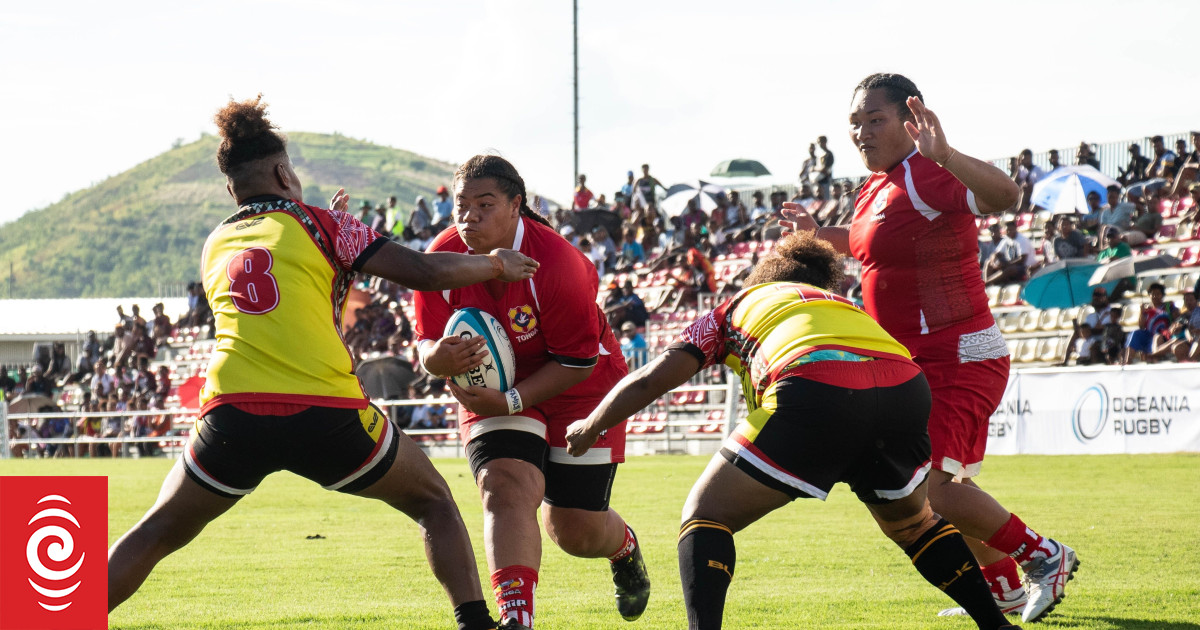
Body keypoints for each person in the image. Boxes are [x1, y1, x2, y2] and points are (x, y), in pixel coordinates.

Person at [106, 96, 540, 630]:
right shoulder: (324, 225)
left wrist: (336, 240)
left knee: (154, 532)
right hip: (325, 410)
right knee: (433, 502)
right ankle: (476, 625)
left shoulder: (216, 242)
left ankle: (45, 614)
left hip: (231, 413)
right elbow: (422, 272)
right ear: (285, 172)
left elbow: (293, 290)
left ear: (231, 189)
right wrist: (495, 264)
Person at [566, 232, 1023, 630]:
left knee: (706, 517)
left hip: (815, 384)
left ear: (763, 275)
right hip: (904, 387)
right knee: (915, 525)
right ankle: (996, 625)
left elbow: (653, 378)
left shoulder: (737, 305)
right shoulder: (842, 304)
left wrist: (592, 425)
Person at [783, 73, 1077, 624]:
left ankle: (1045, 557)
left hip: (961, 354)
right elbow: (871, 245)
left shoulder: (926, 171)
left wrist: (947, 154)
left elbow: (1007, 197)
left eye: (876, 120)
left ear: (911, 120)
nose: (863, 132)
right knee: (939, 485)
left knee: (933, 490)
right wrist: (819, 232)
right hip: (919, 362)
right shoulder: (880, 184)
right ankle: (1005, 589)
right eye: (855, 122)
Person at [413, 154, 650, 630]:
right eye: (462, 205)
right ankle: (516, 618)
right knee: (504, 484)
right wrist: (435, 360)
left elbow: (578, 361)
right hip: (494, 386)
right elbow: (426, 343)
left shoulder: (560, 263)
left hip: (581, 386)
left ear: (516, 205)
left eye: (484, 204)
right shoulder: (442, 259)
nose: (469, 217)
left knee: (575, 532)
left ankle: (624, 549)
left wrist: (514, 400)